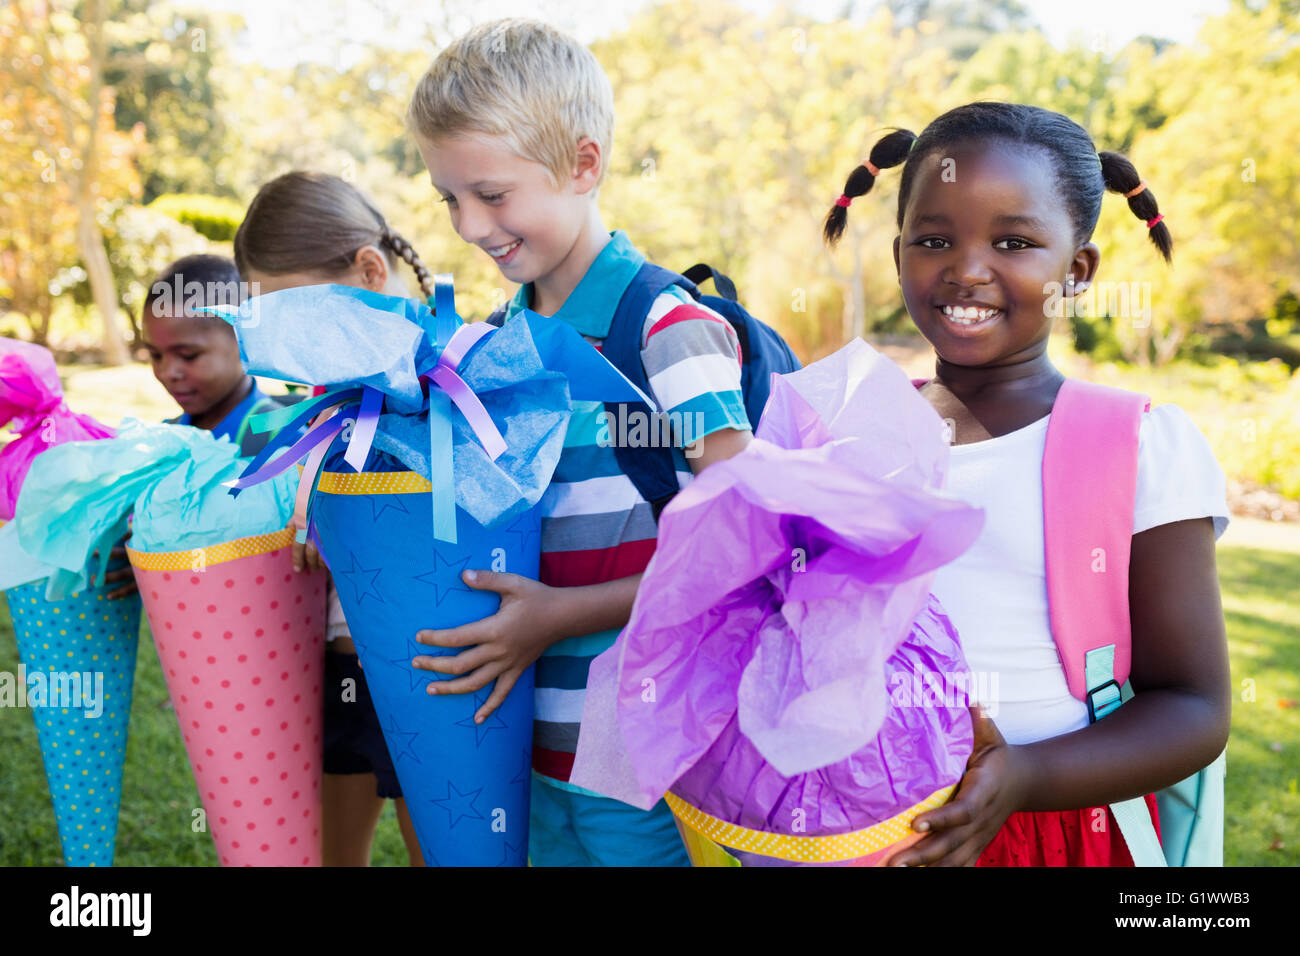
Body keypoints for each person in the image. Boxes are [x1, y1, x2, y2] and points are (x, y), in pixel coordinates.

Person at [824, 101, 1231, 866]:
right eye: (934, 239)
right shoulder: (852, 433)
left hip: (1056, 829)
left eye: (1013, 241)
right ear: (899, 252)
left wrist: (1026, 777)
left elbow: (1194, 706)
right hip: (864, 828)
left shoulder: (1138, 445)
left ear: (1075, 273)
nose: (967, 268)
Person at [405, 18, 753, 866]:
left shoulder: (668, 328)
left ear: (584, 165)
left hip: (649, 753)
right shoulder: (492, 344)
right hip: (531, 742)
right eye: (450, 198)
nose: (470, 225)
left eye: (492, 194)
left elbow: (744, 539)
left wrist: (560, 617)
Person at [233, 170, 434, 867]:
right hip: (335, 668)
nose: (287, 346)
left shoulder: (449, 377)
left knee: (439, 848)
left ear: (370, 271)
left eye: (296, 316)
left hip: (428, 678)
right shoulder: (323, 399)